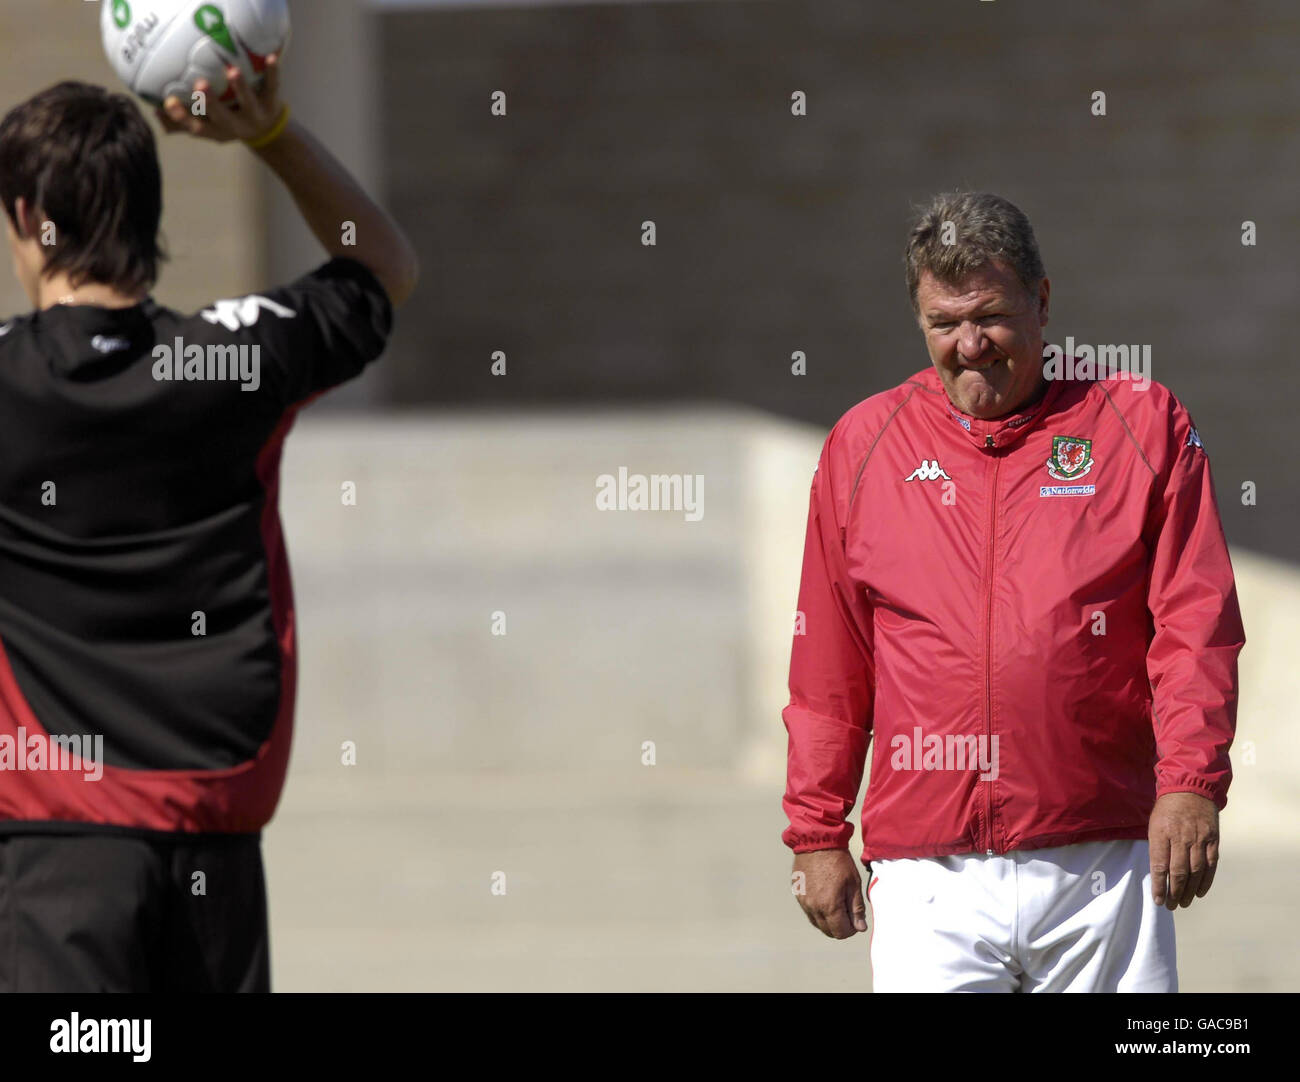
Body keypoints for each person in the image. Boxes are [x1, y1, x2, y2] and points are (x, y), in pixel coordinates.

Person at [0, 56, 418, 990]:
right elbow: (384, 264)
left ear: (30, 220)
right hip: (216, 853)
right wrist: (270, 134)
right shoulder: (234, 362)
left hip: (57, 858)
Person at [781, 191, 1243, 992]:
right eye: (942, 324)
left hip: (1102, 862)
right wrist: (816, 831)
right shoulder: (864, 445)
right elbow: (830, 659)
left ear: (1043, 300)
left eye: (990, 315)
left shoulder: (1139, 419)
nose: (968, 345)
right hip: (929, 877)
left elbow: (1194, 624)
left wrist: (1191, 785)